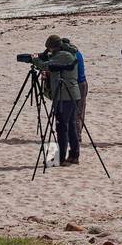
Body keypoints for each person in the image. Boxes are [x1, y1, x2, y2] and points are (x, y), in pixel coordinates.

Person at [34, 34, 81, 165]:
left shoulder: (64, 55)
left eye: (49, 48)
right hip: (70, 95)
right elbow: (50, 61)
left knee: (61, 127)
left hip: (64, 96)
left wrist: (34, 59)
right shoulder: (66, 52)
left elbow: (46, 65)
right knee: (70, 126)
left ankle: (58, 159)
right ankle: (73, 156)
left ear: (53, 47)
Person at [62, 36, 88, 135]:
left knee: (74, 110)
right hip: (83, 82)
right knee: (80, 110)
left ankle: (75, 134)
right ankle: (77, 133)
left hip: (76, 84)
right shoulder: (76, 52)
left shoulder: (68, 55)